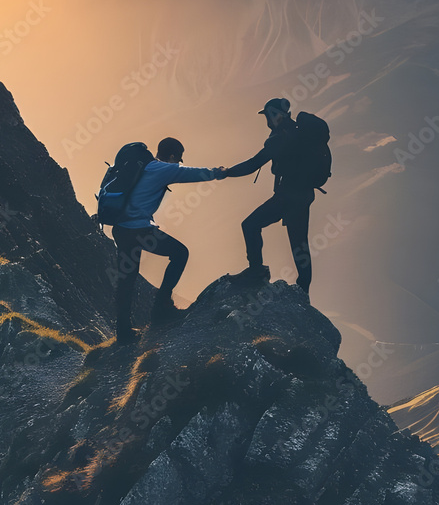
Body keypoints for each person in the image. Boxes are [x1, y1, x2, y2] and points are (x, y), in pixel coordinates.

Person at [113, 137, 226, 344]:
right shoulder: (164, 168)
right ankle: (161, 309)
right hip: (139, 230)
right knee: (180, 253)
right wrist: (217, 173)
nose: (180, 162)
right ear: (173, 156)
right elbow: (190, 173)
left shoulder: (146, 166)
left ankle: (123, 331)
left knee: (126, 278)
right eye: (179, 159)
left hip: (121, 229)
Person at [224, 97, 315, 294]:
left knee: (250, 225)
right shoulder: (297, 132)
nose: (266, 120)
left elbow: (252, 164)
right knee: (299, 243)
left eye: (267, 115)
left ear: (276, 114)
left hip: (288, 196)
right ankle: (303, 290)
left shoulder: (280, 137)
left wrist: (226, 172)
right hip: (304, 194)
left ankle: (256, 272)